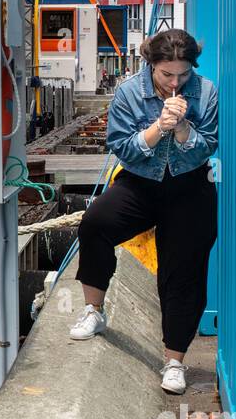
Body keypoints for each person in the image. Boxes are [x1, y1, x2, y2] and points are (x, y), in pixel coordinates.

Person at [69, 28, 218, 395]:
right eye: (167, 74)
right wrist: (156, 129)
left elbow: (208, 147)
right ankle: (94, 310)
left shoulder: (206, 92)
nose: (176, 82)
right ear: (151, 64)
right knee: (95, 224)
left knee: (183, 269)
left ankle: (174, 361)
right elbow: (121, 146)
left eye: (183, 75)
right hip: (140, 183)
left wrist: (183, 128)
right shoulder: (129, 92)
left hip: (189, 185)